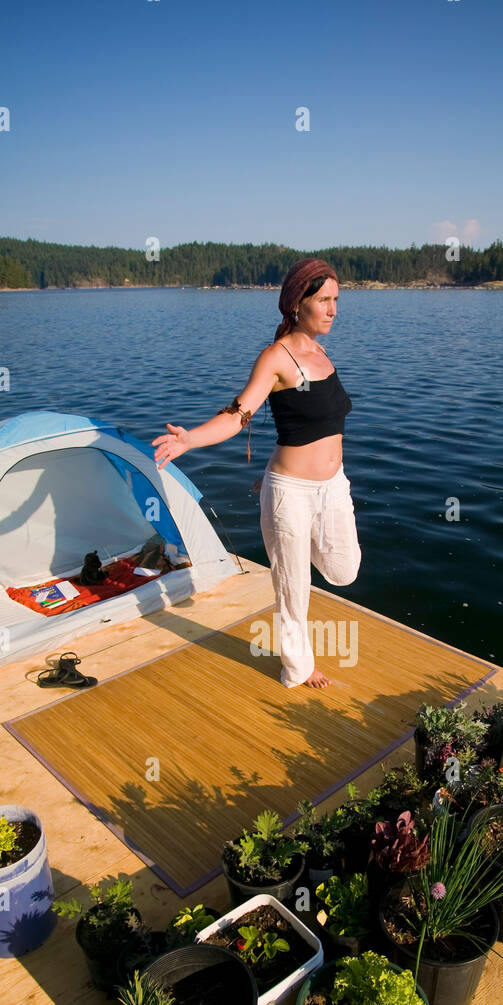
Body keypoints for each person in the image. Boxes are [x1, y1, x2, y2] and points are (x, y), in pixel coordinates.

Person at [152, 257, 361, 688]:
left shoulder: (321, 353)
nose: (333, 309)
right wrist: (189, 439)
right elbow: (238, 414)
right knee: (293, 589)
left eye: (336, 300)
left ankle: (288, 533)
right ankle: (298, 668)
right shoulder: (275, 357)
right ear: (297, 304)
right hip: (293, 491)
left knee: (345, 570)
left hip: (333, 488)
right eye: (324, 300)